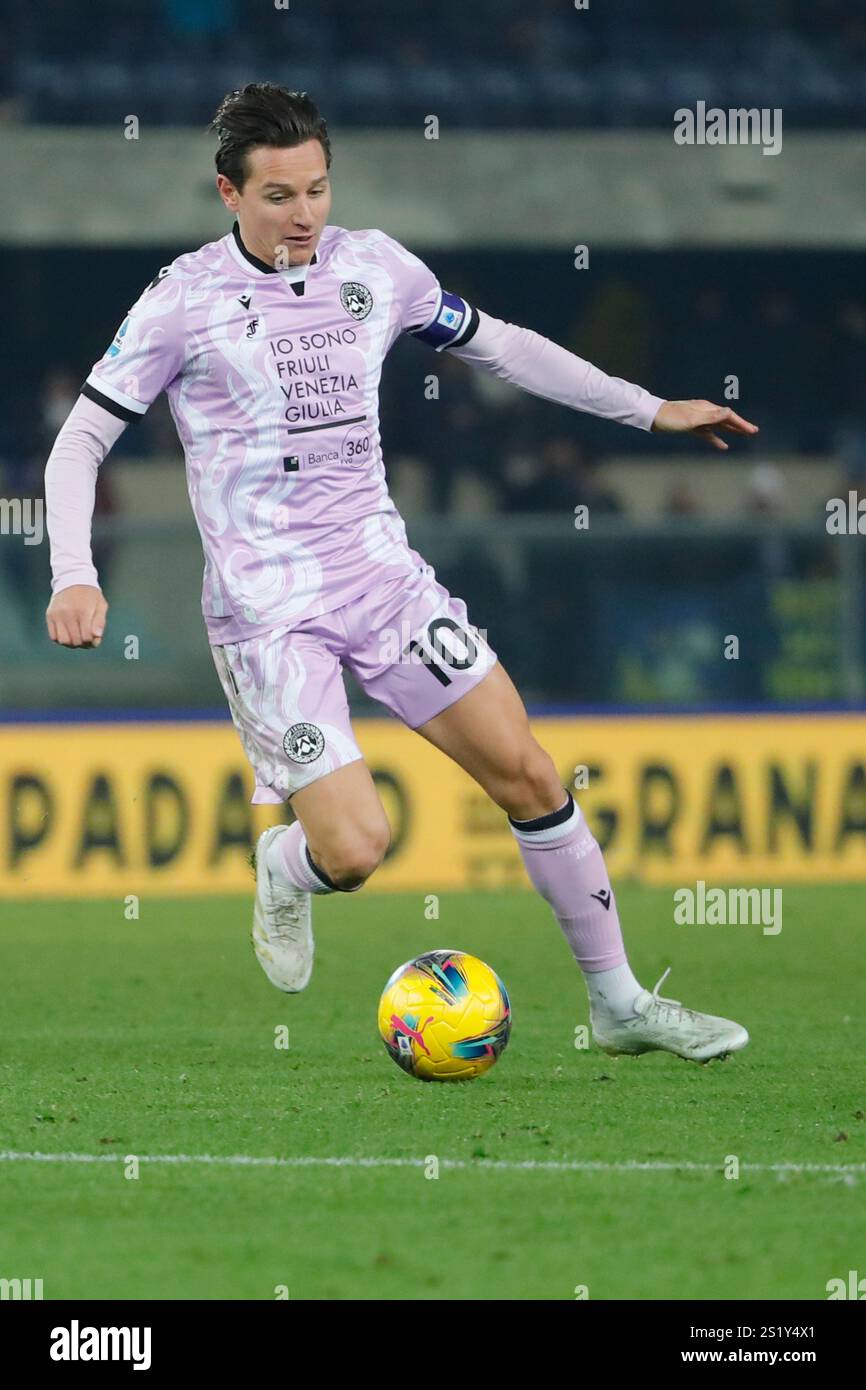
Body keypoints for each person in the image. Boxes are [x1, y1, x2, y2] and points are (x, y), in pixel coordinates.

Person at [44, 83, 759, 1063]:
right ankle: (286, 863)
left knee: (528, 772)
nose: (304, 214)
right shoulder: (183, 303)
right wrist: (74, 574)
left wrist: (646, 410)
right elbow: (80, 440)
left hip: (382, 578)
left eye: (317, 189)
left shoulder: (374, 268)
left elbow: (501, 347)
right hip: (269, 611)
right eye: (279, 196)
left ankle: (617, 1002)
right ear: (228, 194)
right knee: (357, 849)